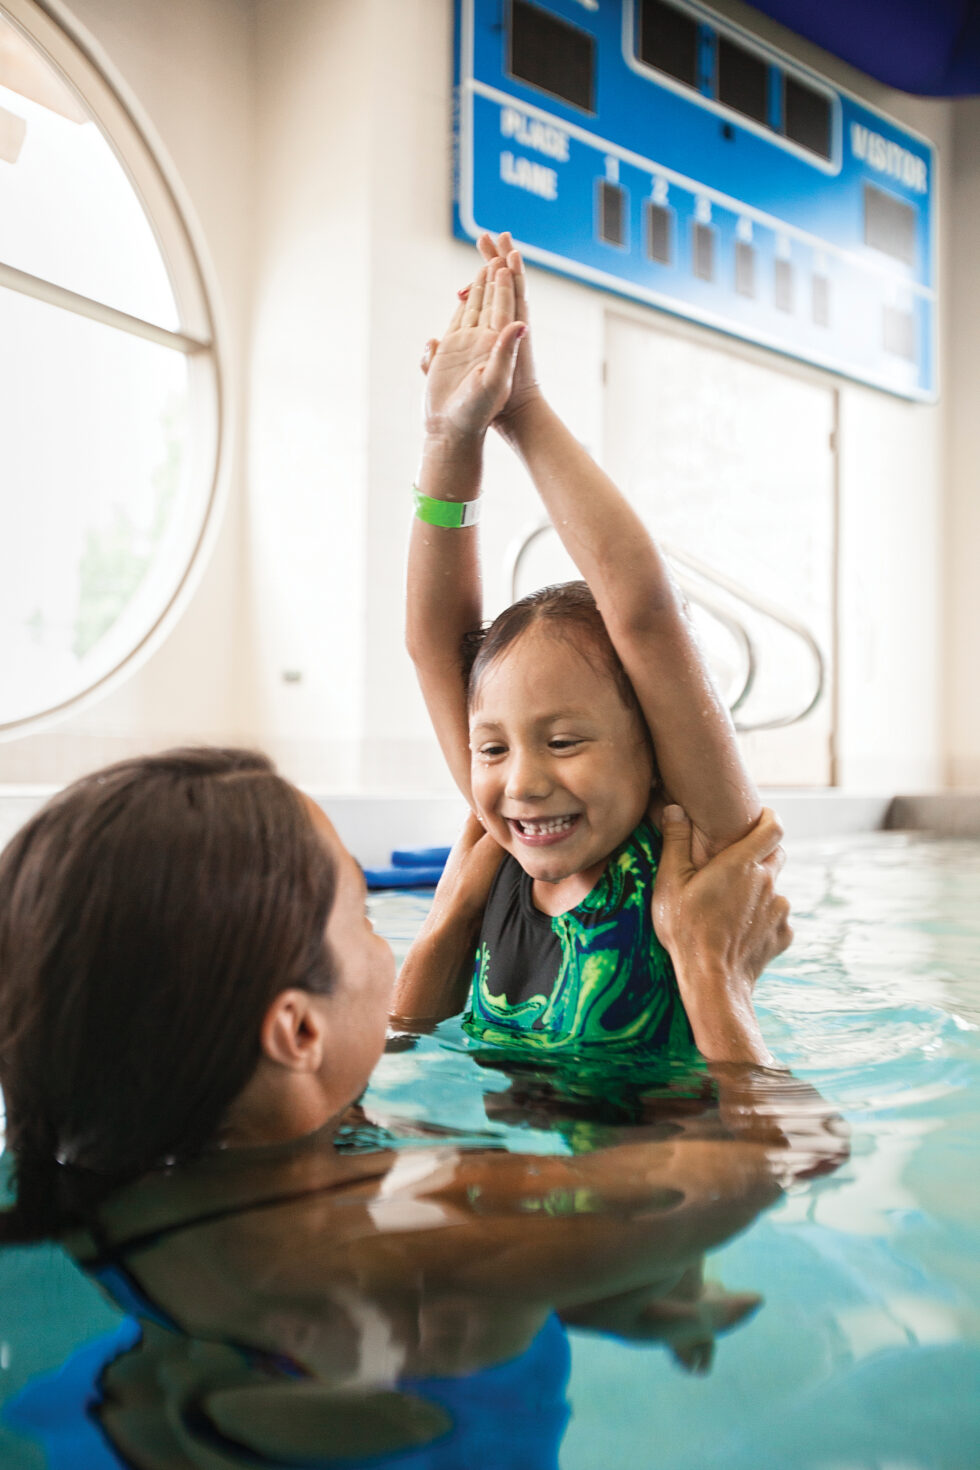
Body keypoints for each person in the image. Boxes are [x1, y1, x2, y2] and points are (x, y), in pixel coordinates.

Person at [0, 748, 838, 1469]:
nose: (384, 943)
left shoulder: (93, 1177)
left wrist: (450, 926)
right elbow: (794, 1147)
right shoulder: (439, 1221)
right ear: (297, 1029)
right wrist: (716, 972)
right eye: (363, 918)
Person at [405, 231, 764, 1059]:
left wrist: (523, 412)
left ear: (651, 746)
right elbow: (433, 644)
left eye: (564, 740)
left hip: (664, 1180)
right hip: (510, 1175)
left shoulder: (699, 853)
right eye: (490, 747)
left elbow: (643, 610)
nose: (522, 780)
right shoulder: (504, 835)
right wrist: (447, 444)